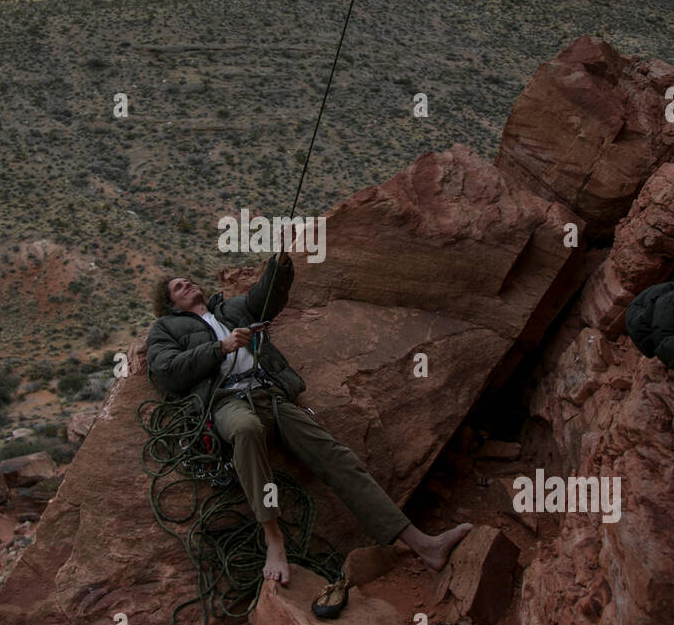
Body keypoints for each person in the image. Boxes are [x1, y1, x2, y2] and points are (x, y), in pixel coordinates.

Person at [146, 232, 471, 586]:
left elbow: (265, 298)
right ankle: (274, 539)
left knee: (337, 456)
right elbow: (167, 373)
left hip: (270, 394)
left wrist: (280, 264)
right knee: (245, 430)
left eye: (188, 280)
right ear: (171, 305)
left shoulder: (230, 308)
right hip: (225, 401)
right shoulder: (165, 328)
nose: (188, 283)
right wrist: (219, 349)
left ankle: (424, 545)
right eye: (179, 286)